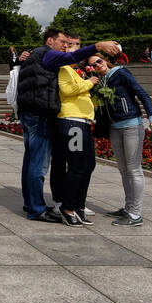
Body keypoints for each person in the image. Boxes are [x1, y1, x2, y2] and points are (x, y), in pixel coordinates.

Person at [16, 28, 121, 221]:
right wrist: (97, 47)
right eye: (63, 42)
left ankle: (32, 203)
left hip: (31, 112)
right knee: (42, 165)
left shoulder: (38, 55)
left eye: (69, 42)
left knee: (31, 161)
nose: (66, 46)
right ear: (50, 41)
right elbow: (69, 70)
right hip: (47, 116)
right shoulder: (48, 55)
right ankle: (41, 208)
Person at [90, 54, 152, 226]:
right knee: (123, 169)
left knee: (134, 169)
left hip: (131, 126)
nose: (97, 65)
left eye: (99, 61)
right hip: (115, 127)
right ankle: (128, 208)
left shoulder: (120, 73)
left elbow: (142, 94)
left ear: (105, 60)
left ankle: (135, 214)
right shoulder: (101, 82)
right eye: (92, 65)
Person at [50, 51, 101, 226]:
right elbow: (66, 90)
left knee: (88, 165)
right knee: (77, 165)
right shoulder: (64, 69)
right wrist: (89, 82)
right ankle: (67, 207)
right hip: (72, 124)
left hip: (84, 124)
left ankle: (79, 205)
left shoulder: (77, 72)